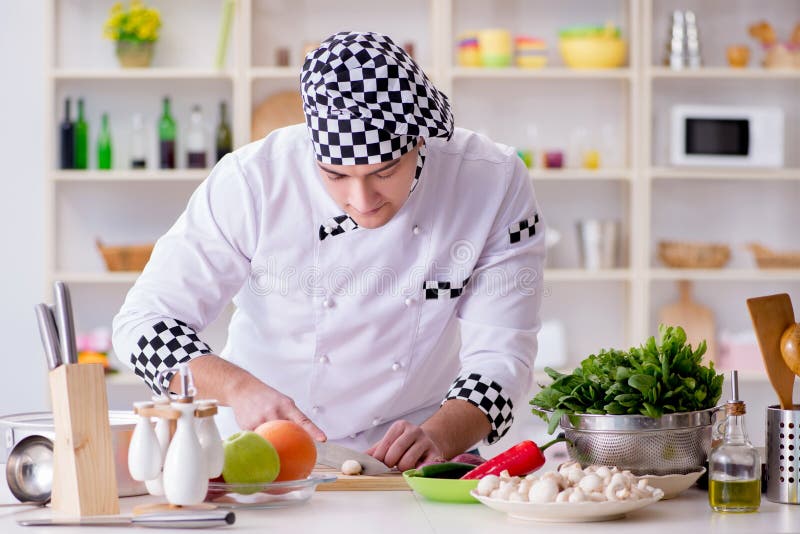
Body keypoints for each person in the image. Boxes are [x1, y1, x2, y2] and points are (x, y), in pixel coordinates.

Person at [112, 31, 545, 472]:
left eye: (385, 170)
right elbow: (143, 324)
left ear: (420, 141)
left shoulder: (491, 181)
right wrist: (239, 388)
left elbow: (501, 356)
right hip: (260, 451)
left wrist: (439, 435)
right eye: (335, 175)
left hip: (415, 457)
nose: (362, 199)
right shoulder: (253, 180)